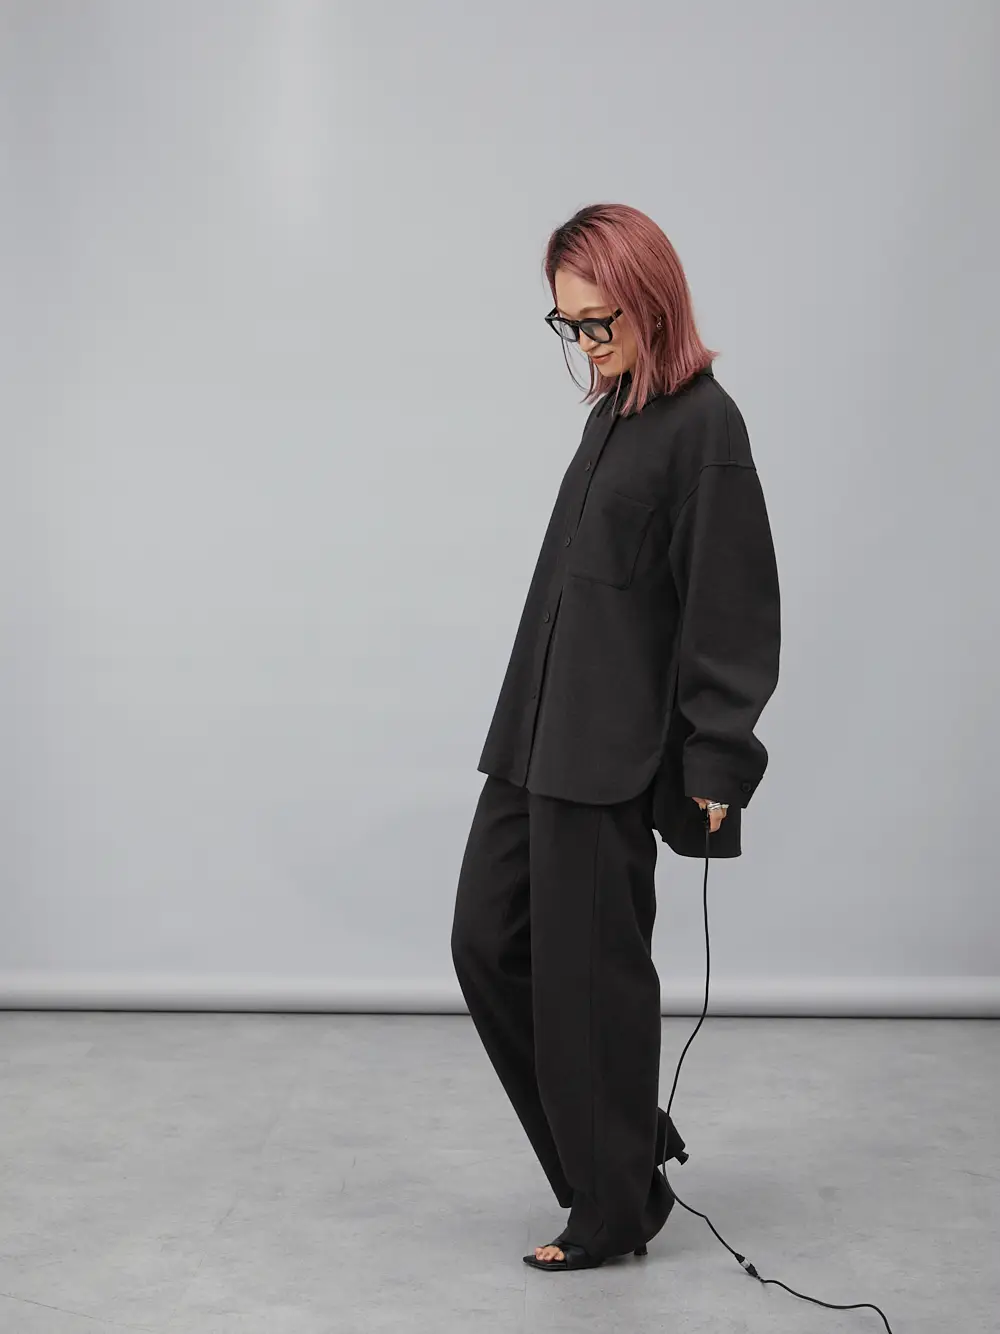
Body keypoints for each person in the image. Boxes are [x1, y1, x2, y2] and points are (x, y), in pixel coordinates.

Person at [450, 202, 781, 1272]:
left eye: (600, 321)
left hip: (611, 751)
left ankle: (609, 1210)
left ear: (652, 302)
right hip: (534, 733)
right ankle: (626, 1156)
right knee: (486, 942)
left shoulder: (705, 427)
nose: (586, 342)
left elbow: (729, 603)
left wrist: (717, 755)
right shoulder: (611, 415)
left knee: (591, 980)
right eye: (569, 323)